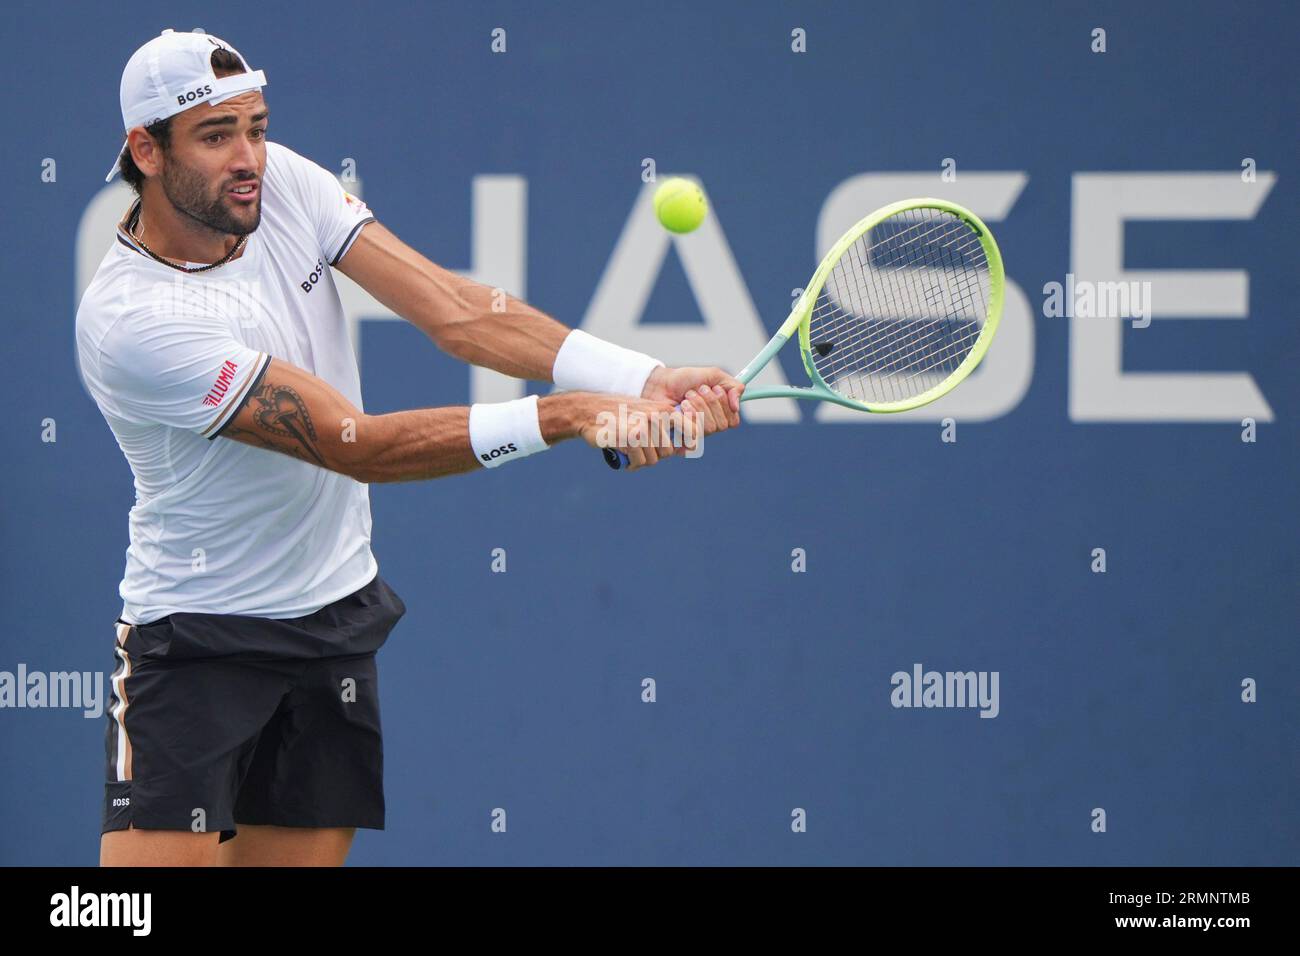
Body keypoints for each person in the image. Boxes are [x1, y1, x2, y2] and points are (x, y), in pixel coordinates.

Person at [76, 29, 743, 866]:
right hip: (198, 639)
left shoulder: (283, 183)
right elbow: (358, 447)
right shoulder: (133, 322)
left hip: (331, 624)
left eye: (256, 125)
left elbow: (455, 310)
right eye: (216, 136)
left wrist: (642, 376)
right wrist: (568, 415)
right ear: (146, 149)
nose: (249, 156)